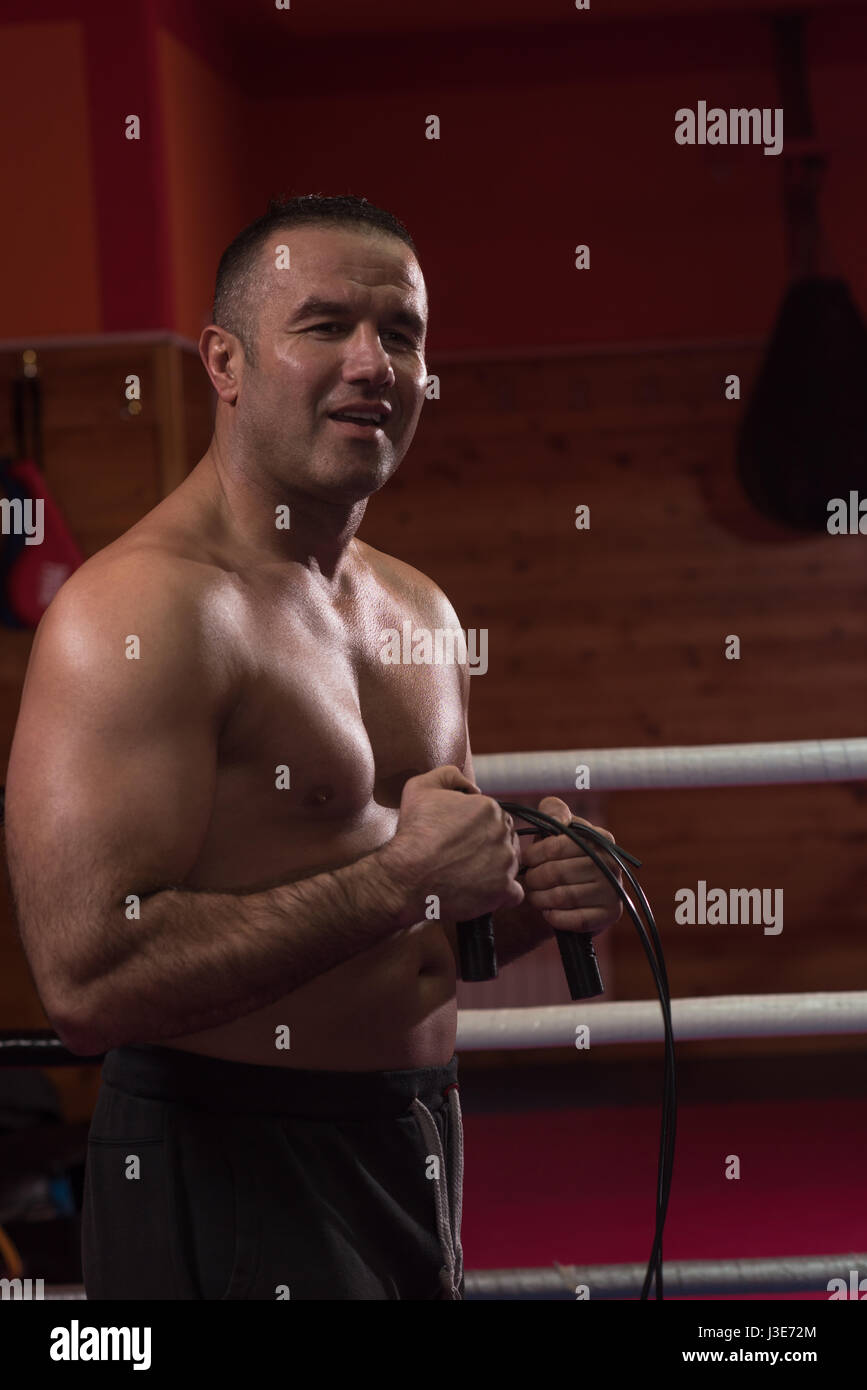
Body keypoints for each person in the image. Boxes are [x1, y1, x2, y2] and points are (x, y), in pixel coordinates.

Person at [4, 194, 622, 1300]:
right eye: (326, 325)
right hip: (228, 1156)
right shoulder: (141, 613)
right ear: (225, 363)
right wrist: (399, 881)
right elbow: (89, 982)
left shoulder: (420, 611)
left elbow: (430, 927)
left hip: (411, 1135)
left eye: (401, 334)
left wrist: (532, 897)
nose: (373, 363)